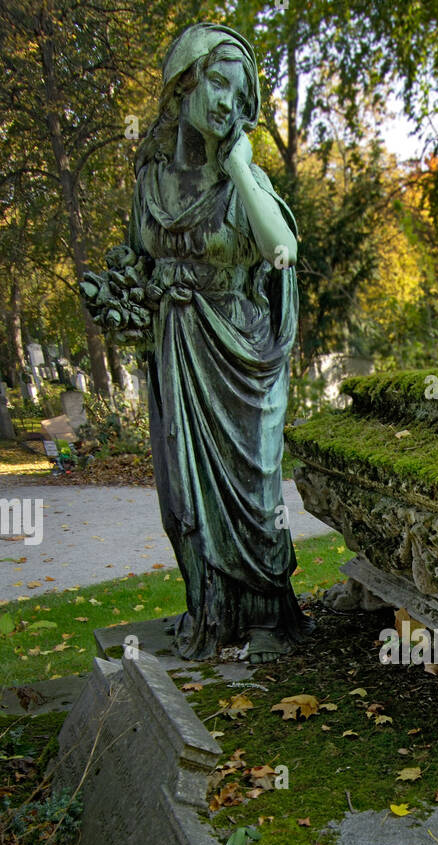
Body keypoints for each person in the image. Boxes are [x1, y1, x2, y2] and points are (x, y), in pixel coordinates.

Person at [128, 22, 311, 663]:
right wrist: (129, 305)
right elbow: (136, 265)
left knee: (254, 492)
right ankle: (211, 612)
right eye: (218, 83)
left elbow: (280, 250)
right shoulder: (150, 181)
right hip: (177, 346)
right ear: (185, 84)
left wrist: (238, 166)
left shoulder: (243, 180)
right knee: (184, 492)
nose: (228, 101)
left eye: (239, 93)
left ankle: (265, 618)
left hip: (241, 353)